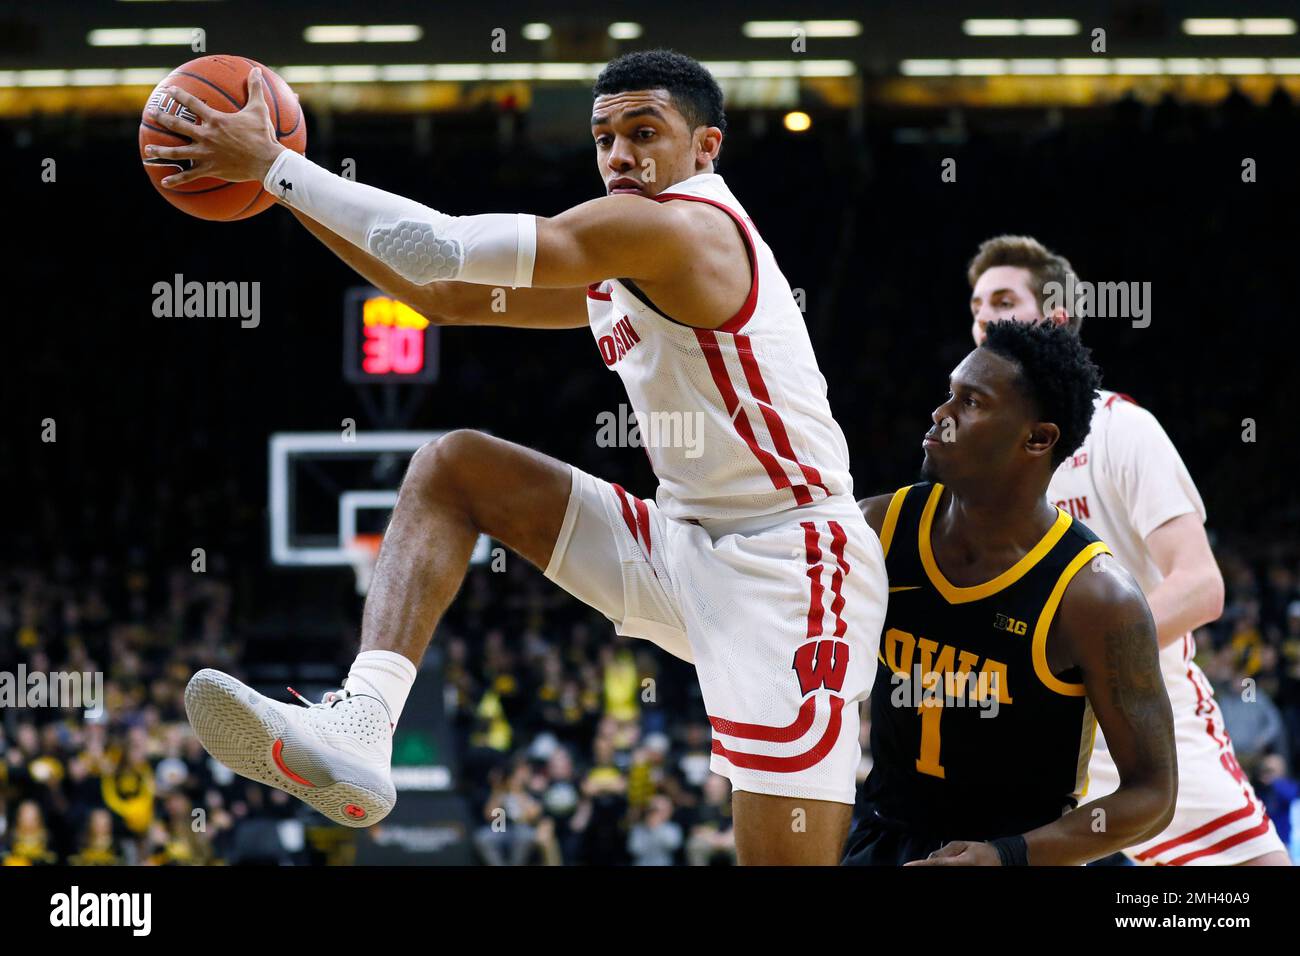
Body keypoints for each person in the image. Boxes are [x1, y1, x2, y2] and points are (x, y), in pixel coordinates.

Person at [149, 49, 886, 864]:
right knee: (455, 470)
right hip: (685, 546)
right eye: (604, 137)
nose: (619, 156)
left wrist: (280, 168)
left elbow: (442, 247)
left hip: (792, 567)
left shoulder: (679, 227)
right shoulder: (629, 253)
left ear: (706, 148)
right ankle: (362, 721)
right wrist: (276, 186)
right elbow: (438, 295)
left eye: (645, 132)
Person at [966, 234, 1289, 865]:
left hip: (1143, 725)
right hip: (1022, 738)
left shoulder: (1120, 428)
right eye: (976, 303)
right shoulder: (972, 467)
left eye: (1003, 299)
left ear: (1054, 316)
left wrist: (1070, 666)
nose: (982, 315)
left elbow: (1201, 587)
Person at [842, 320, 1176, 865]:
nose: (940, 415)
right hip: (887, 839)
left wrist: (1007, 856)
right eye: (948, 394)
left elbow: (1153, 796)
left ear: (1038, 438)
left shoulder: (1094, 597)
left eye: (970, 402)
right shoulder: (878, 527)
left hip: (1023, 852)